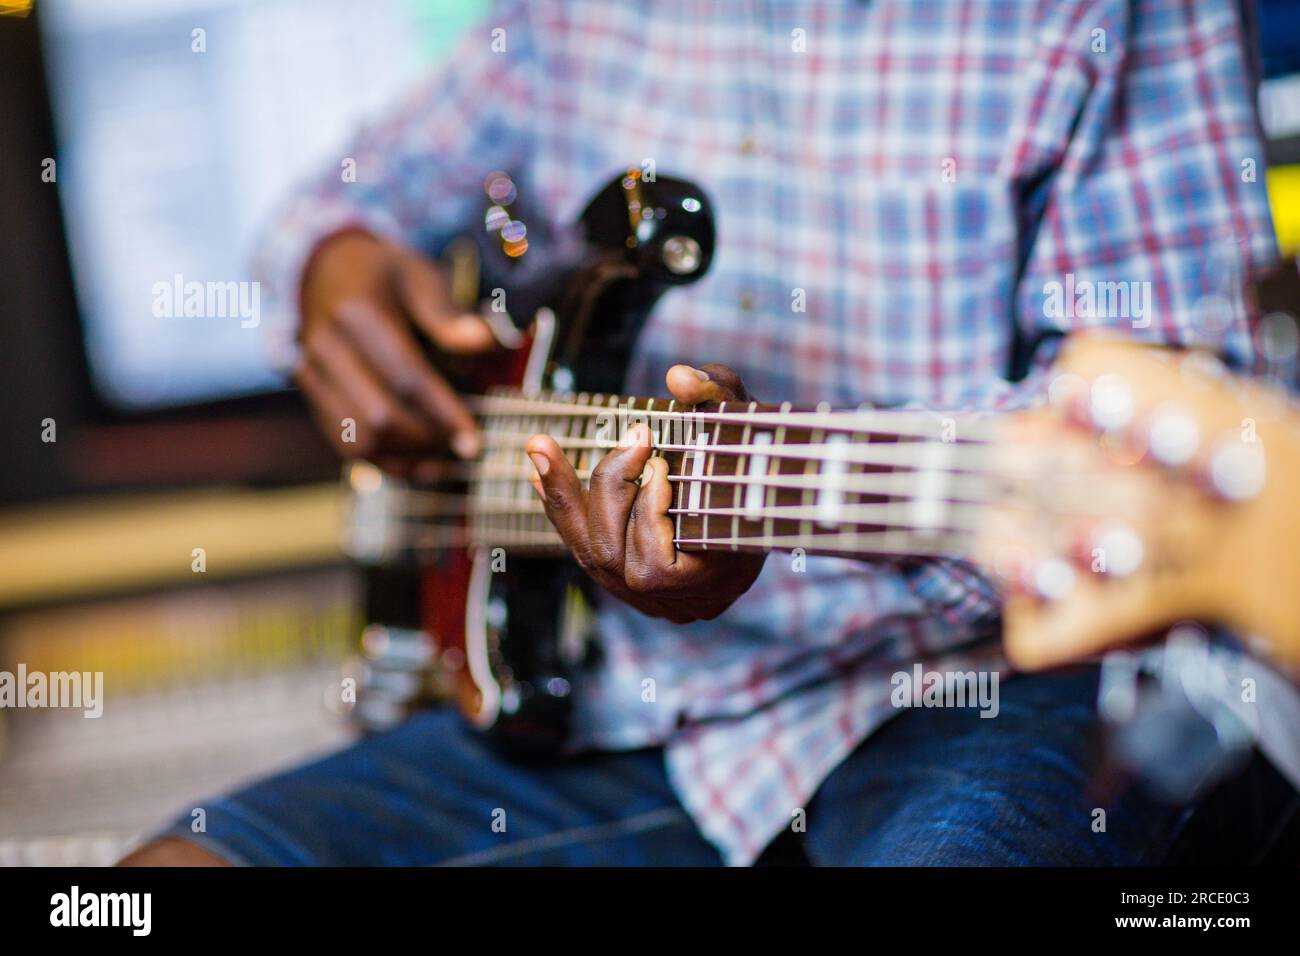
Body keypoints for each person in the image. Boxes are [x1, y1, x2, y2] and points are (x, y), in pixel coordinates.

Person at [123, 0, 1296, 866]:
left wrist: (755, 514)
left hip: (992, 693)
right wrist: (336, 263)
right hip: (631, 703)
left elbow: (1184, 398)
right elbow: (338, 198)